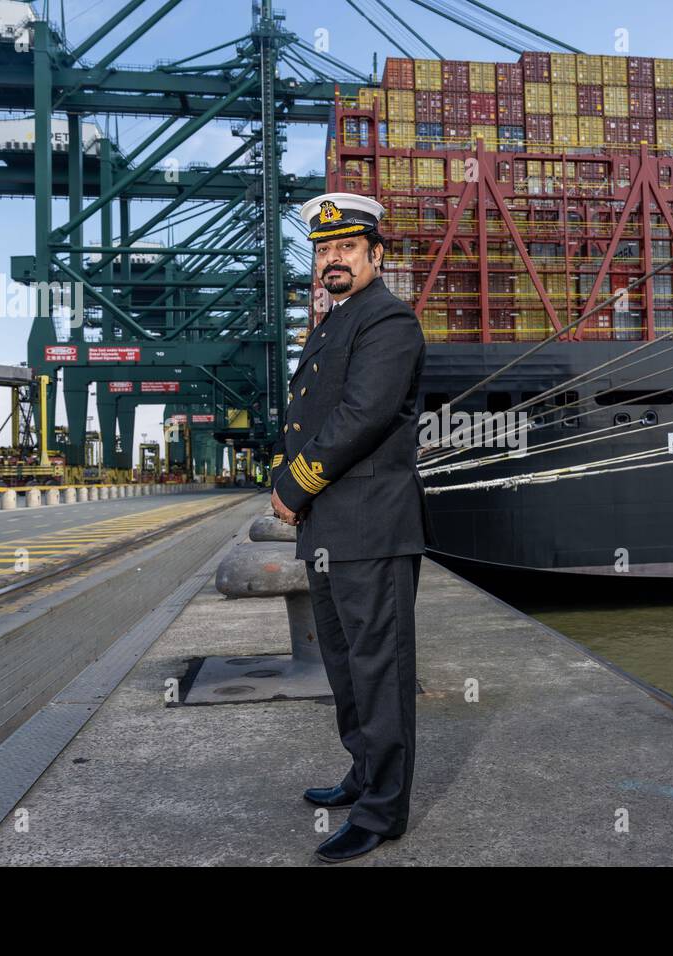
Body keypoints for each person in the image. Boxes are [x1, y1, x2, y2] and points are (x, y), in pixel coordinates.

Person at [269, 192, 433, 863]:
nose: (332, 259)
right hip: (331, 526)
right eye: (323, 249)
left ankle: (383, 811)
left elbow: (362, 417)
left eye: (346, 248)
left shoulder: (388, 321)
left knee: (380, 668)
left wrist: (292, 484)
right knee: (344, 664)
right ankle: (363, 773)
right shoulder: (335, 322)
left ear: (376, 255)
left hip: (372, 526)